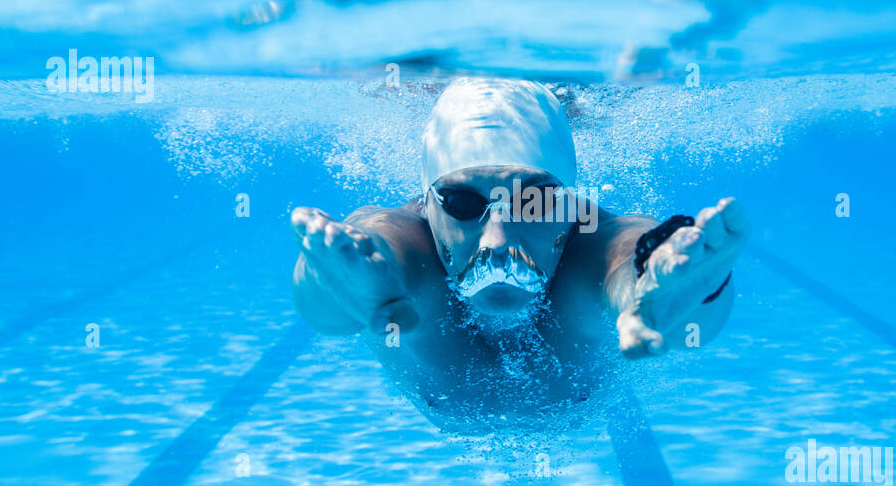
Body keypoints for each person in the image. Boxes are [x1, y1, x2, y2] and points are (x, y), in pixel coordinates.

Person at [291, 78, 749, 419]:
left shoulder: (591, 243)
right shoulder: (404, 254)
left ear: (570, 204)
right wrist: (333, 280)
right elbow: (358, 265)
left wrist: (669, 286)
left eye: (535, 202)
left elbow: (630, 257)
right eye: (463, 203)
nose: (498, 242)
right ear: (428, 205)